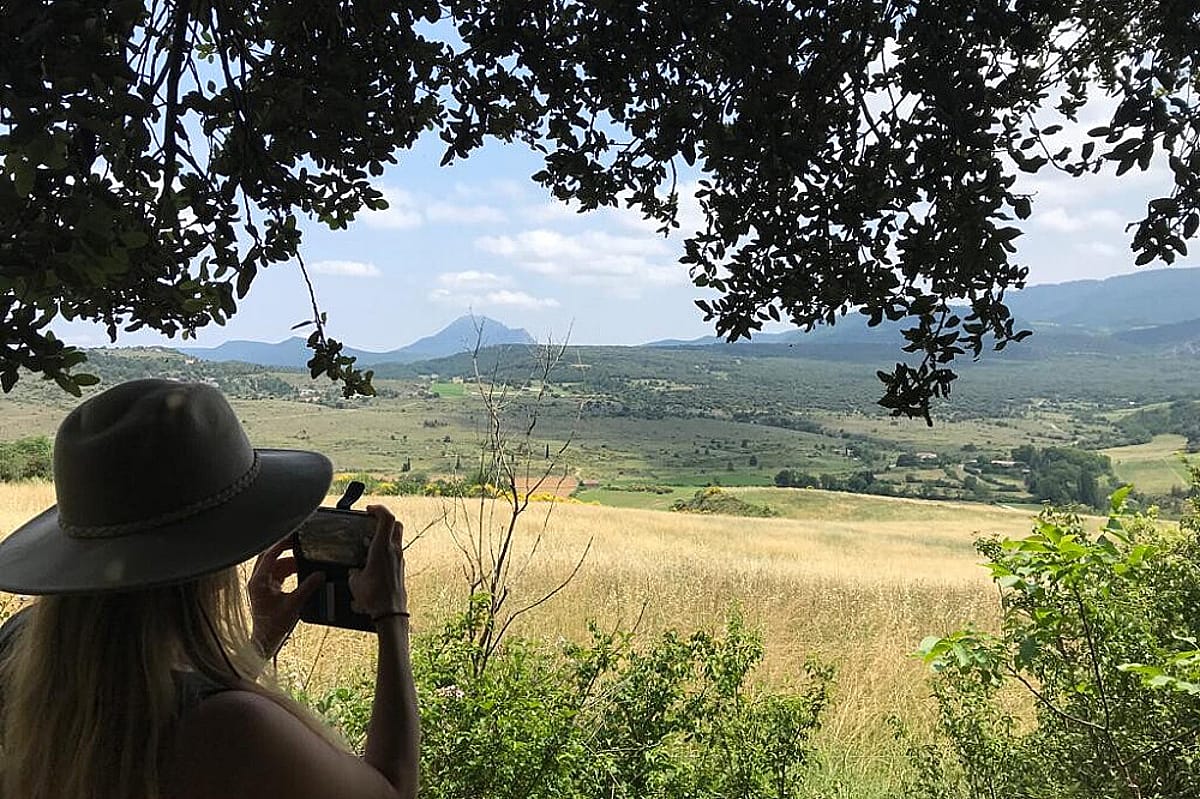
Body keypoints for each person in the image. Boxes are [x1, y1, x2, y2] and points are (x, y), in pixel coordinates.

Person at [0, 378, 419, 799]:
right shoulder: (237, 727)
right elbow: (393, 791)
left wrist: (260, 641)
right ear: (215, 555)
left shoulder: (27, 664)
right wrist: (391, 614)